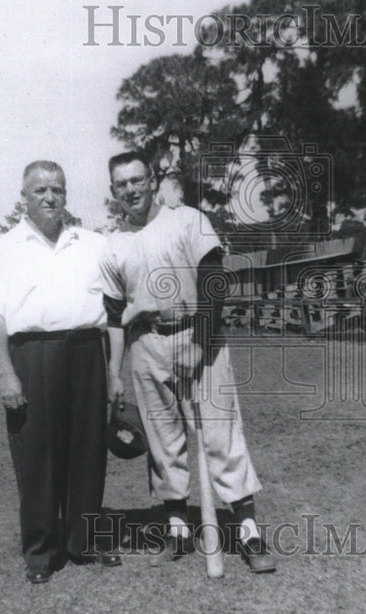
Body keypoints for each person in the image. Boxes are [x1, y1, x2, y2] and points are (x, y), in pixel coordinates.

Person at [100, 152, 275, 573]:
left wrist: (200, 344)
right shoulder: (113, 245)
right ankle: (178, 527)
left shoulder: (187, 220)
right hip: (148, 346)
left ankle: (248, 532)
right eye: (122, 184)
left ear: (152, 180)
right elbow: (112, 315)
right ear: (113, 192)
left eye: (138, 180)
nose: (131, 189)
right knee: (163, 441)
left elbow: (214, 282)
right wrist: (113, 371)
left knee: (221, 435)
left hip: (201, 338)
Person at [0, 160, 121, 584]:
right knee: (36, 454)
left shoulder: (93, 243)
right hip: (31, 355)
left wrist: (112, 370)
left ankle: (84, 542)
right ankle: (40, 551)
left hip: (87, 353)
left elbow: (113, 310)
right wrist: (5, 374)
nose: (50, 197)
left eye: (57, 189)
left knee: (87, 451)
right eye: (40, 191)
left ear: (67, 195)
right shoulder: (5, 247)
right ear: (24, 197)